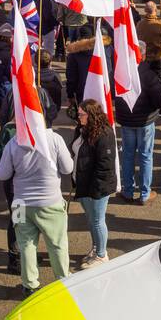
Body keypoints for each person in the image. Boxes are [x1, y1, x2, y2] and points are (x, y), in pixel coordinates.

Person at [0, 120, 75, 295]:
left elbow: (3, 174)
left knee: (25, 245)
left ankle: (30, 285)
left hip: (20, 204)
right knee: (57, 245)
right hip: (50, 202)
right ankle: (63, 281)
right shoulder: (55, 139)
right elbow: (68, 168)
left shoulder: (13, 142)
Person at [113, 44, 161, 205]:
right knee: (145, 156)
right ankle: (144, 193)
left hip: (127, 120)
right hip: (145, 121)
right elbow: (160, 100)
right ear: (143, 55)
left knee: (128, 155)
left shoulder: (120, 72)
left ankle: (128, 190)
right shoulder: (148, 75)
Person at [72, 99, 118, 268]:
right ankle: (96, 247)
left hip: (97, 187)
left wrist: (96, 189)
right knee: (91, 219)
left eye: (81, 114)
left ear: (90, 115)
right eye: (78, 114)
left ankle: (101, 255)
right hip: (84, 184)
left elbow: (105, 166)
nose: (78, 117)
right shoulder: (81, 129)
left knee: (98, 220)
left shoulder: (104, 134)